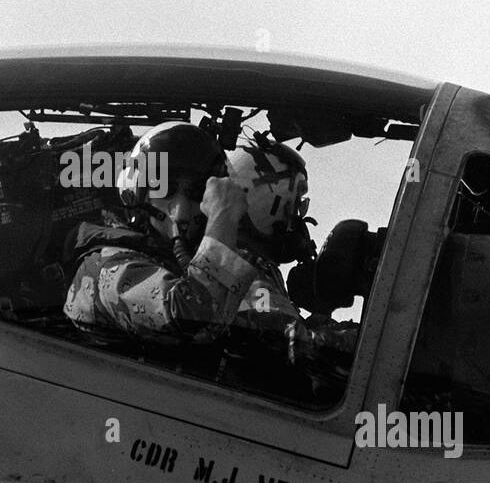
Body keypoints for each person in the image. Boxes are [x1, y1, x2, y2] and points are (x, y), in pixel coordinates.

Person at [63, 122, 261, 346]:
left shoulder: (182, 265)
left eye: (203, 193)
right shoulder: (105, 267)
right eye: (164, 187)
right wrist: (224, 215)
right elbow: (192, 316)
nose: (202, 205)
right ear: (141, 192)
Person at [222, 136, 358, 400]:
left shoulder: (240, 262)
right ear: (266, 202)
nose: (299, 219)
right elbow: (301, 345)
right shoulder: (239, 267)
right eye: (295, 205)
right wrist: (368, 339)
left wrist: (321, 312)